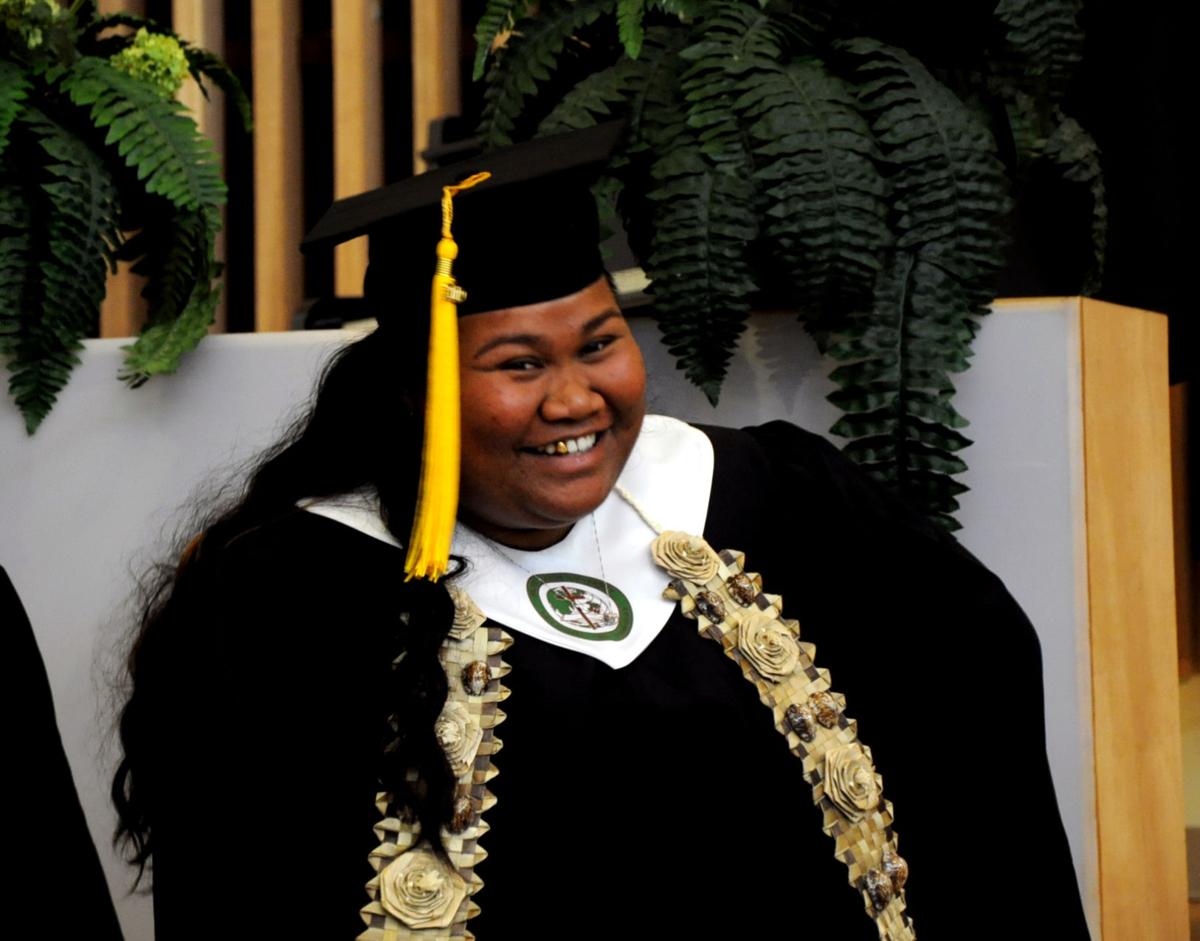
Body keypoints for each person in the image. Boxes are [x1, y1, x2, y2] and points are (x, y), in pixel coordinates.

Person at [111, 124, 1091, 940]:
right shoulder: (299, 596)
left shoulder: (777, 497)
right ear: (418, 390)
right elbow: (248, 890)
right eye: (518, 362)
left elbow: (977, 707)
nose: (575, 397)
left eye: (600, 343)